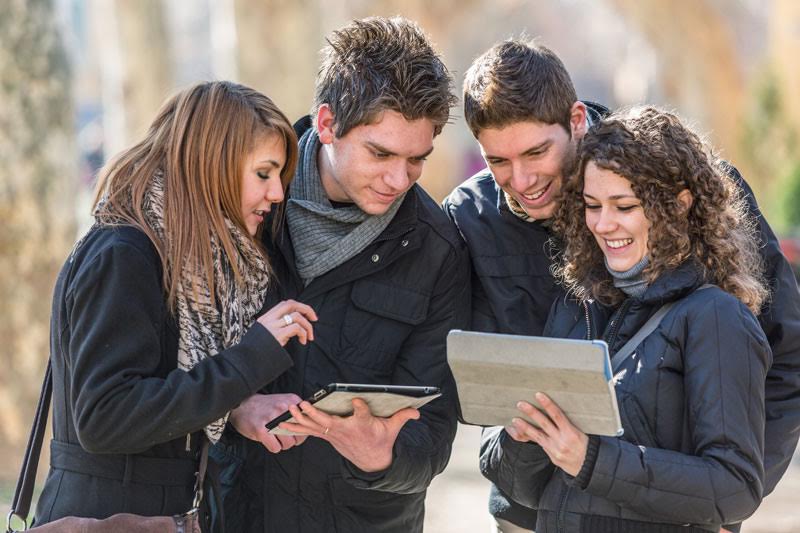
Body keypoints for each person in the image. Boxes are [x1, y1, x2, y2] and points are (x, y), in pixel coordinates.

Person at [443, 38, 800, 533]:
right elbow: (481, 384)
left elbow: (786, 353)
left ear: (574, 121)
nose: (521, 180)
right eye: (497, 161)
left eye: (536, 152)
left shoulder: (694, 186)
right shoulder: (470, 217)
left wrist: (730, 496)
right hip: (535, 510)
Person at [33, 81, 317, 529]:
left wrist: (237, 406)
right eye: (264, 174)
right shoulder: (125, 254)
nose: (277, 194)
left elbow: (164, 394)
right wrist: (251, 356)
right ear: (213, 167)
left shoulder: (190, 263)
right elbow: (105, 416)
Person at [226, 16, 469, 533]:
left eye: (417, 160)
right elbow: (174, 364)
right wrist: (229, 406)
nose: (397, 179)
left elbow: (433, 433)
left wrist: (383, 456)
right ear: (327, 123)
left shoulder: (438, 250)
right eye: (380, 153)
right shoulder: (241, 202)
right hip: (234, 510)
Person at [482, 106, 771, 532]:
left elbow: (735, 488)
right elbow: (521, 491)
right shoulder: (576, 305)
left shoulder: (715, 317)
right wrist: (522, 439)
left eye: (625, 206)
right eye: (592, 205)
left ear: (678, 205)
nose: (603, 224)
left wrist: (593, 460)